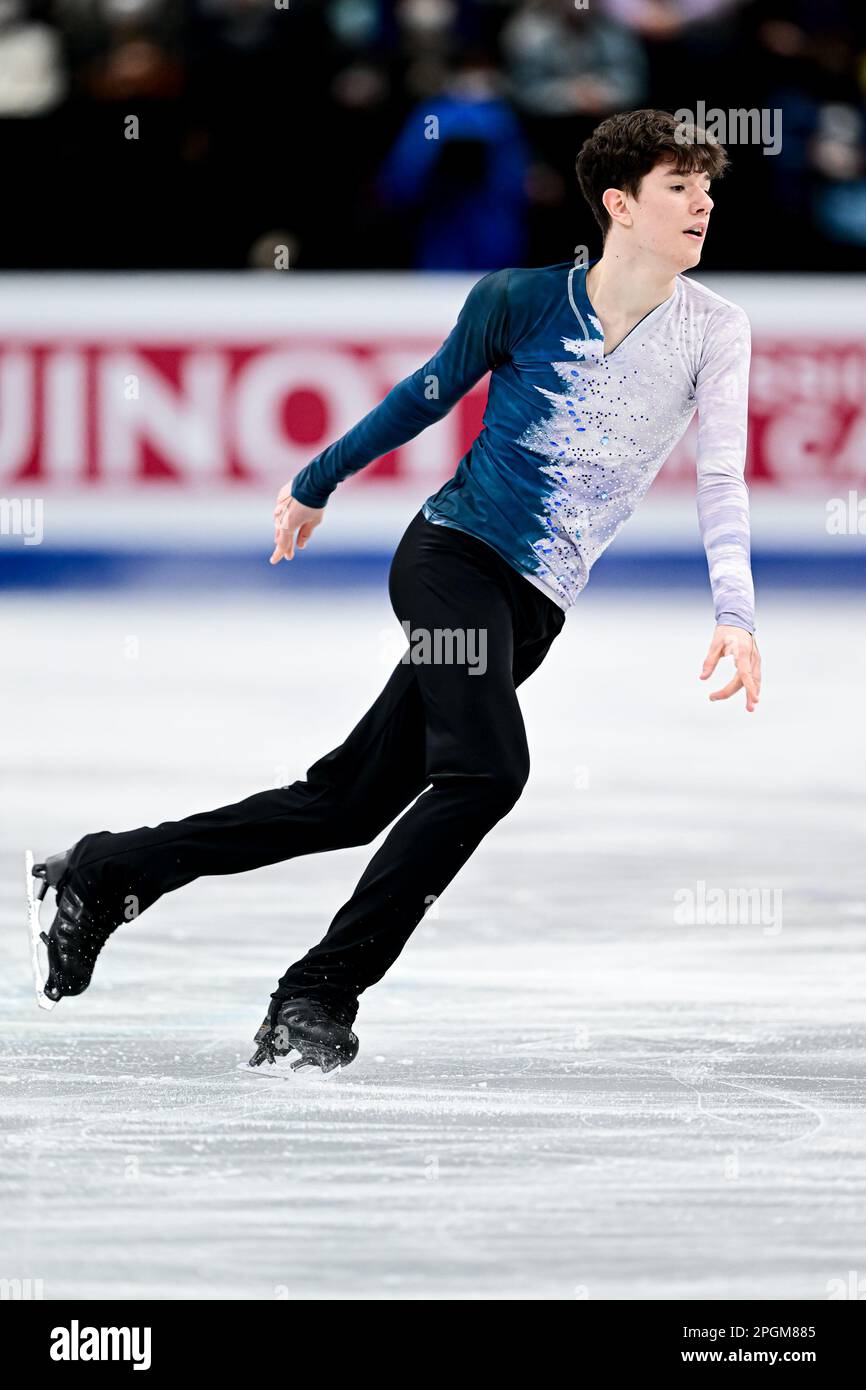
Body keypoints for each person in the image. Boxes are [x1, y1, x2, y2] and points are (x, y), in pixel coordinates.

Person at [30, 108, 761, 1074]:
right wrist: (315, 478)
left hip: (533, 607)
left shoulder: (715, 330)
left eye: (707, 188)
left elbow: (720, 477)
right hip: (450, 561)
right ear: (620, 206)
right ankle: (317, 994)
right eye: (680, 187)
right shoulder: (520, 300)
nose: (702, 203)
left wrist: (735, 611)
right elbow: (425, 394)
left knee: (342, 804)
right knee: (486, 774)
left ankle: (109, 869)